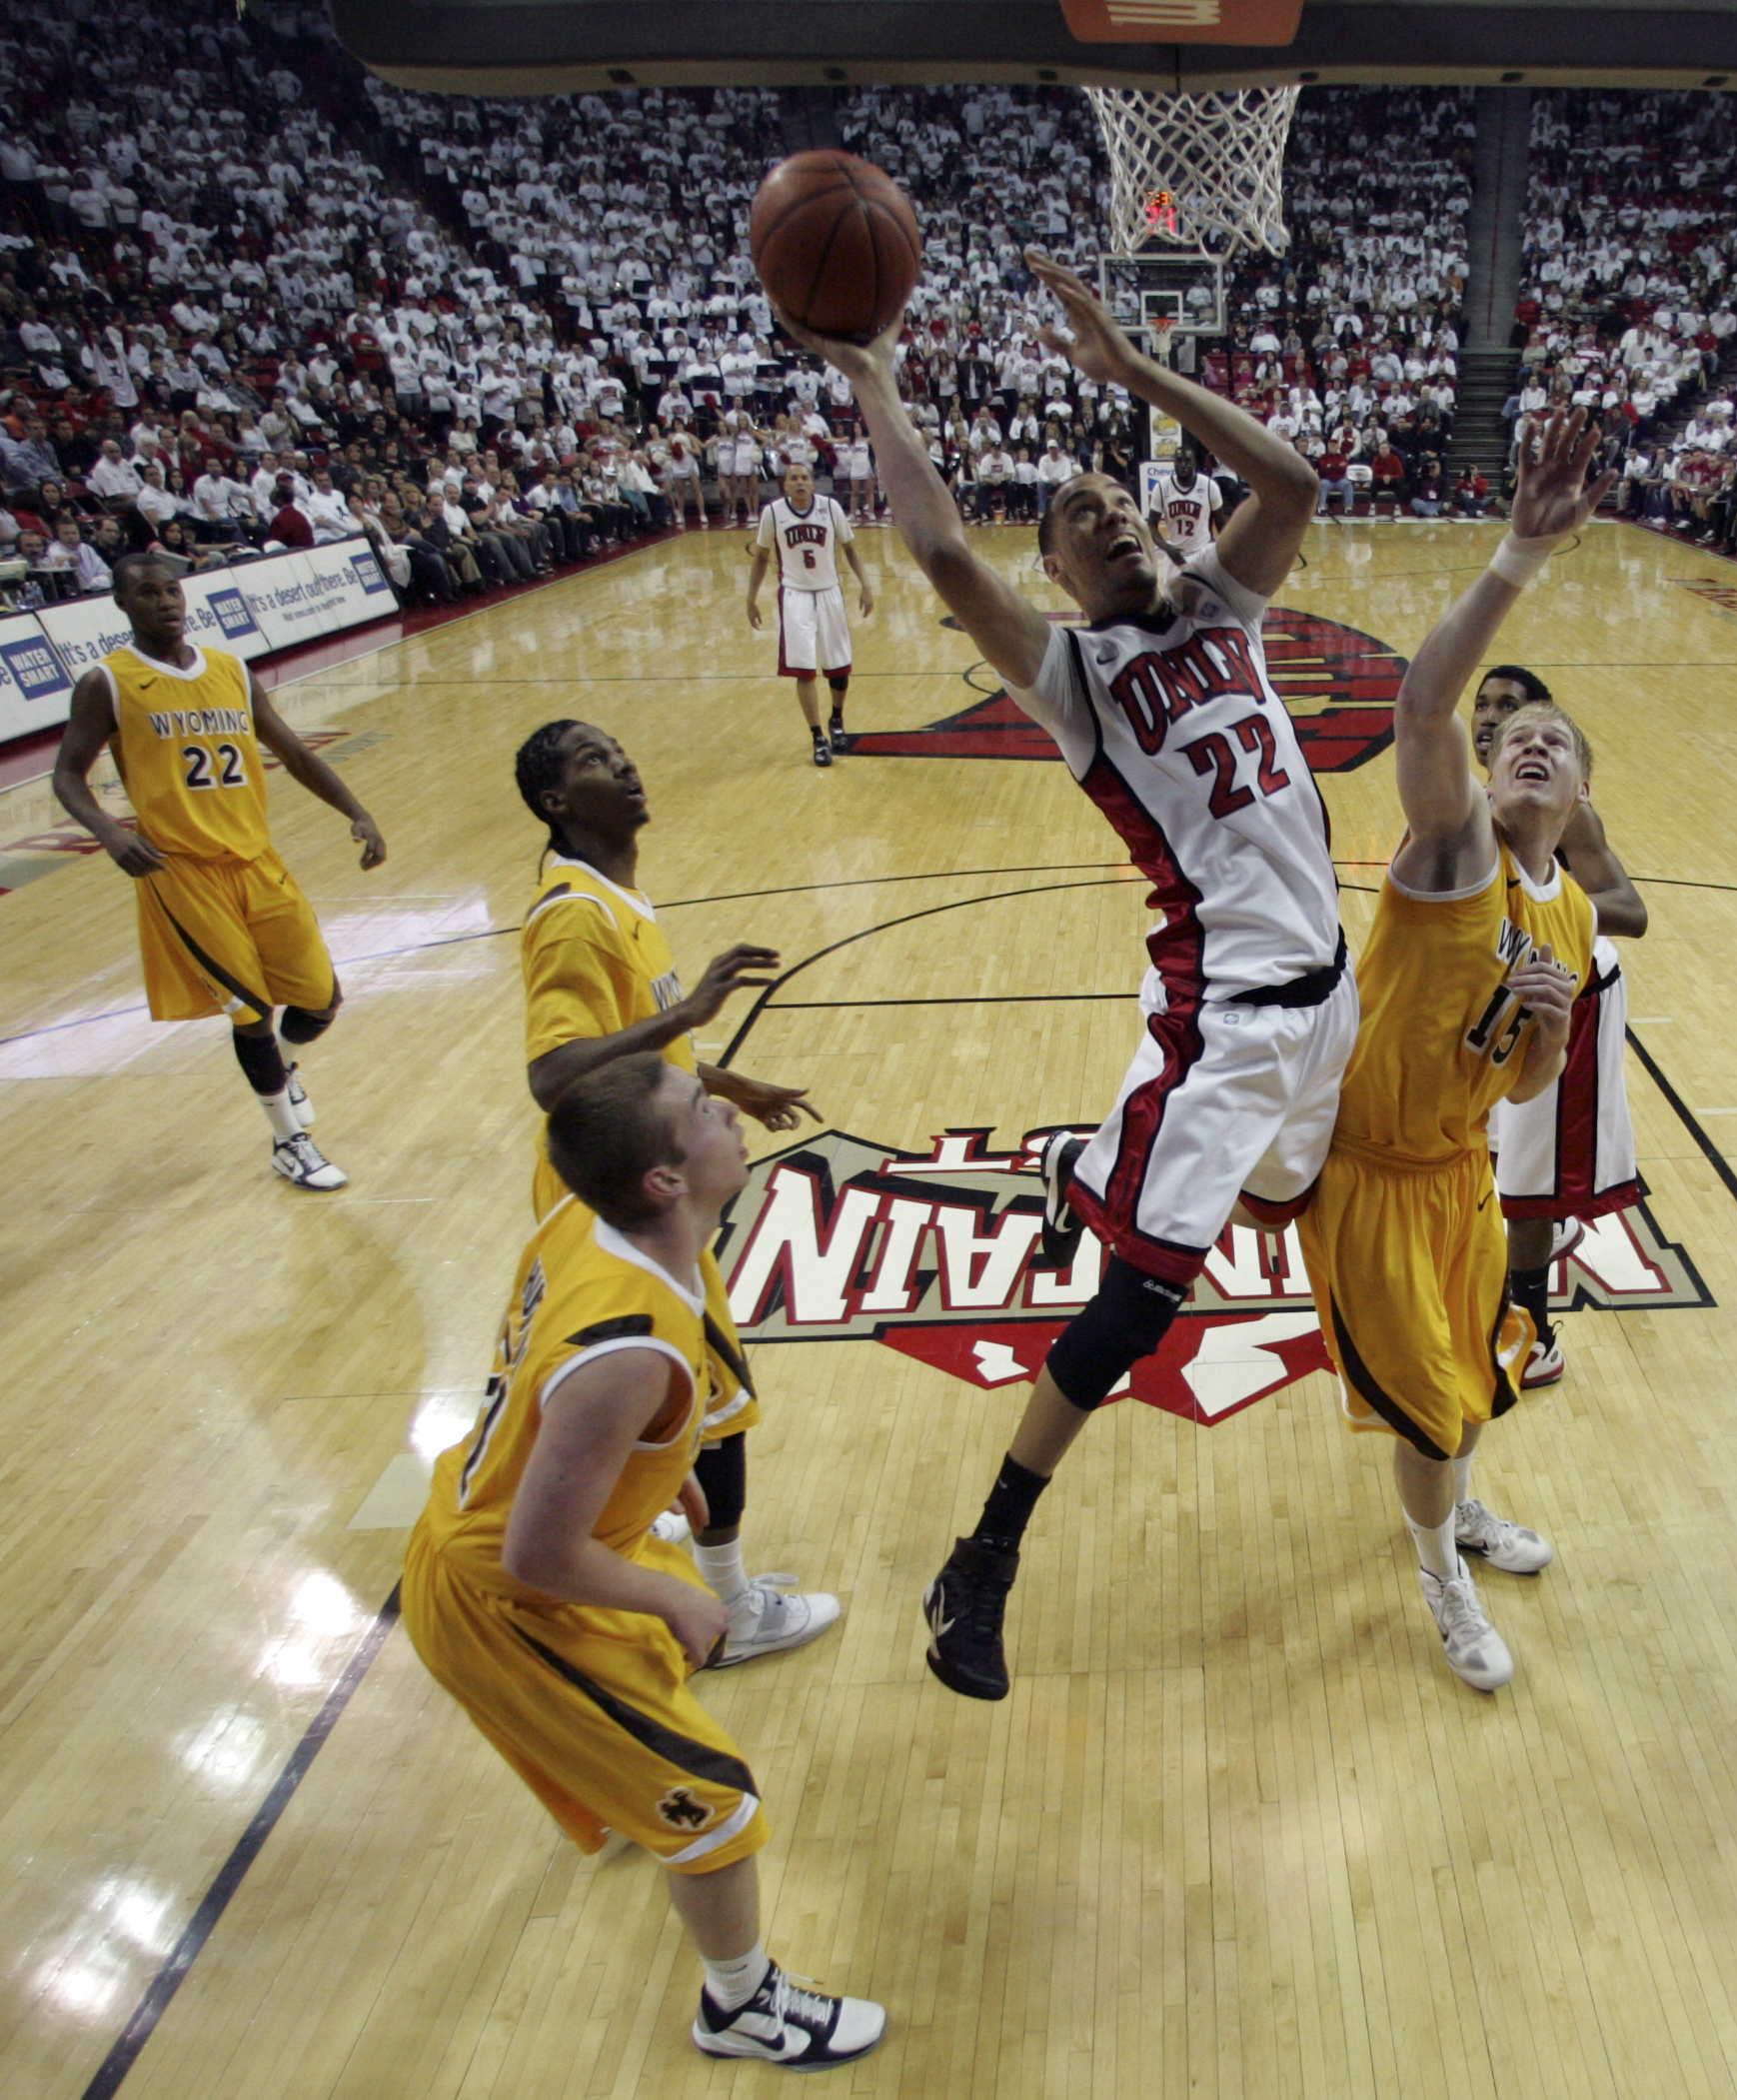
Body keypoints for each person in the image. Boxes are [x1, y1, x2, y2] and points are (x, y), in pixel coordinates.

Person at [789, 254, 1345, 1704]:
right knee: (1146, 1296)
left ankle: (1102, 1165)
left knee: (1313, 1206)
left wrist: (1141, 376)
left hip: (1332, 997)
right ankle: (986, 1554)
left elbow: (1288, 486)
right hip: (1224, 1019)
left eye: (1120, 501)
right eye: (1081, 525)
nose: (1111, 520)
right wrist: (874, 378)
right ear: (1065, 582)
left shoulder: (1223, 600)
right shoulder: (1079, 678)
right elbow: (942, 558)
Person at [402, 1055, 884, 2069]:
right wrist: (671, 1591)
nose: (726, 1111)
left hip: (504, 1539)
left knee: (653, 1729)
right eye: (704, 1110)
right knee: (718, 1805)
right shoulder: (627, 1348)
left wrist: (648, 1472)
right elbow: (540, 1549)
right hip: (508, 1601)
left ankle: (629, 1798)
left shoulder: (585, 1221)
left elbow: (543, 1397)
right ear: (665, 1178)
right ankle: (740, 2007)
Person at [1299, 417, 1610, 1688]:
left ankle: (1457, 1513)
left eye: (1559, 743)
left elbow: (1529, 1088)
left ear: (1583, 797)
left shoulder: (1574, 914)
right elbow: (1422, 702)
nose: (1532, 741)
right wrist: (1519, 556)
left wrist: (1549, 1031)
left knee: (1474, 1382)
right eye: (1513, 737)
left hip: (1463, 1169)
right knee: (1427, 1402)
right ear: (1483, 776)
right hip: (1368, 1169)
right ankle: (1441, 1580)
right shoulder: (1457, 854)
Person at [511, 719, 841, 1667]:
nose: (623, 762)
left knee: (676, 1406)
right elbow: (554, 1073)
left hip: (631, 1180)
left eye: (620, 748)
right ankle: (730, 1610)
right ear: (555, 802)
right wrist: (691, 1011)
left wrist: (727, 1081)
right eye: (591, 762)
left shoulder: (613, 890)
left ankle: (645, 1565)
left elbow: (639, 1048)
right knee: (714, 1399)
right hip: (621, 1199)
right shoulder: (572, 913)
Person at [50, 554, 384, 1189]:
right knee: (250, 1010)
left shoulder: (229, 668)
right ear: (121, 604)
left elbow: (288, 747)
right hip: (181, 870)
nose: (165, 602)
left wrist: (357, 809)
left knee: (321, 1000)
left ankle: (282, 1072)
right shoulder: (108, 682)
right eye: (147, 593)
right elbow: (68, 774)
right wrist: (109, 835)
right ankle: (291, 1142)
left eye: (172, 590)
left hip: (255, 858)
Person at [1473, 664, 1649, 1389]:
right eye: (1484, 706)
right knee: (1492, 1148)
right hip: (1503, 984)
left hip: (1569, 991)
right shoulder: (1480, 801)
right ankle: (1525, 1253)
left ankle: (1536, 1334)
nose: (1489, 717)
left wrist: (1547, 905)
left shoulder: (1566, 812)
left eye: (1508, 707)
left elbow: (1633, 911)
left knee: (1529, 1175)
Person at [746, 460, 873, 767]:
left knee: (839, 666)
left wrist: (866, 585)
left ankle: (837, 720)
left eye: (804, 477)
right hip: (794, 595)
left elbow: (851, 548)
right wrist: (751, 598)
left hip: (830, 591)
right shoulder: (773, 513)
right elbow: (761, 557)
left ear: (813, 483)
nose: (800, 482)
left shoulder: (830, 508)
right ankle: (817, 736)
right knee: (803, 669)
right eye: (794, 478)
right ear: (785, 484)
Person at [1145, 449, 1223, 565]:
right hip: (1174, 555)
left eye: (1187, 461)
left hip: (1202, 552)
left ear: (1195, 463)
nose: (1183, 465)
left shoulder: (1209, 486)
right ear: (1174, 463)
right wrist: (1167, 548)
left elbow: (1221, 524)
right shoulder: (1162, 487)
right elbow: (1151, 525)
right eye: (1179, 461)